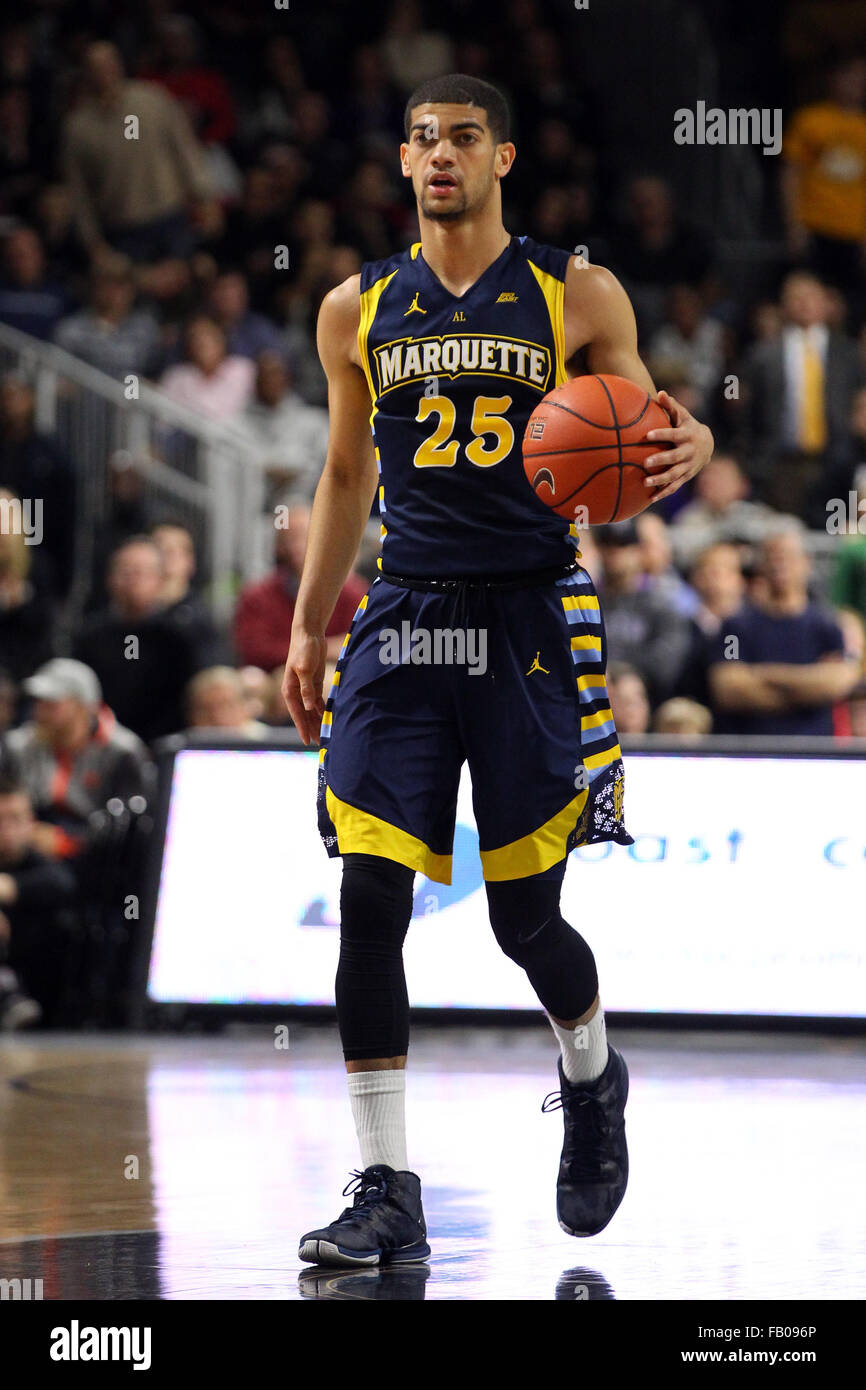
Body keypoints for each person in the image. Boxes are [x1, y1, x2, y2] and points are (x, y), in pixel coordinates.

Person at [281, 74, 713, 1268]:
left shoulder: (571, 289)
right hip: (404, 618)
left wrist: (702, 435)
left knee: (527, 920)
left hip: (528, 619)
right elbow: (338, 477)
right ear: (402, 162)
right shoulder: (353, 308)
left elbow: (649, 416)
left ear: (502, 157)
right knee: (370, 895)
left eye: (462, 137)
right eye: (420, 138)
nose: (438, 156)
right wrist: (311, 627)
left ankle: (590, 1076)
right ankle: (385, 1188)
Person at [706, 527, 860, 736]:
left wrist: (764, 674)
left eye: (787, 557)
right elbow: (728, 689)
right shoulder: (735, 627)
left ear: (807, 562)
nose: (780, 565)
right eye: (772, 557)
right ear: (762, 566)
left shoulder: (827, 624)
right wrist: (809, 688)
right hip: (750, 749)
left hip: (814, 750)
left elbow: (837, 683)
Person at [1, 658, 153, 862]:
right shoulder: (19, 746)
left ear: (84, 707)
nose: (40, 713)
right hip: (30, 851)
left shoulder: (124, 752)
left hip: (98, 857)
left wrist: (70, 842)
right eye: (38, 703)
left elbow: (132, 825)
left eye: (52, 705)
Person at [73, 537, 208, 743]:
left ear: (161, 580)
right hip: (101, 743)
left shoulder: (179, 638)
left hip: (164, 742)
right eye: (125, 572)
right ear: (109, 578)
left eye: (142, 573)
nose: (133, 580)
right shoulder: (90, 635)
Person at [235, 500, 366, 672]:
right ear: (279, 547)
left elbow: (365, 647)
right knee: (252, 680)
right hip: (277, 674)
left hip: (333, 674)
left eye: (309, 536)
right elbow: (255, 651)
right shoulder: (257, 596)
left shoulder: (354, 593)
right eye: (292, 538)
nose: (301, 546)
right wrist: (321, 649)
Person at [0, 775, 77, 1029]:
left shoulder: (42, 865)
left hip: (38, 984)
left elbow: (62, 884)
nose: (6, 830)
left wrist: (13, 887)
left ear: (31, 822)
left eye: (15, 819)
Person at [595, 520, 693, 706]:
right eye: (608, 545)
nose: (615, 553)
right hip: (590, 696)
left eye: (624, 545)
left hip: (648, 702)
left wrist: (621, 675)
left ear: (639, 551)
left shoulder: (663, 603)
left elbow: (666, 665)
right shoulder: (584, 600)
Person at [54, 257, 161, 380]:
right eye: (107, 284)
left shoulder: (146, 329)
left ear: (131, 289)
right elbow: (57, 377)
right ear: (94, 288)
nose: (113, 292)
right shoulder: (71, 330)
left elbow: (153, 374)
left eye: (120, 285)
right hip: (83, 398)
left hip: (129, 397)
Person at [185, 667, 271, 736]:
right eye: (206, 711)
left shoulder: (268, 743)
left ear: (244, 708)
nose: (218, 718)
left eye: (226, 706)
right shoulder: (182, 748)